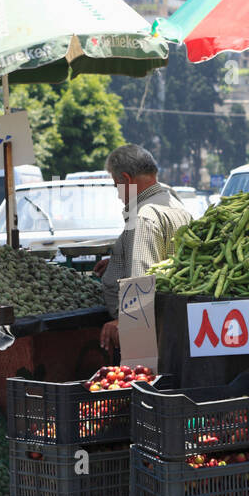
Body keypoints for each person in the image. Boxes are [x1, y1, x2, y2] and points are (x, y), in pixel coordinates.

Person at [95, 145, 191, 351]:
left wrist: (126, 321)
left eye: (116, 185)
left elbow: (142, 279)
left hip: (150, 333)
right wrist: (117, 262)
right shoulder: (176, 205)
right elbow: (162, 256)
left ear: (127, 180)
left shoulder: (144, 217)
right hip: (173, 323)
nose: (118, 194)